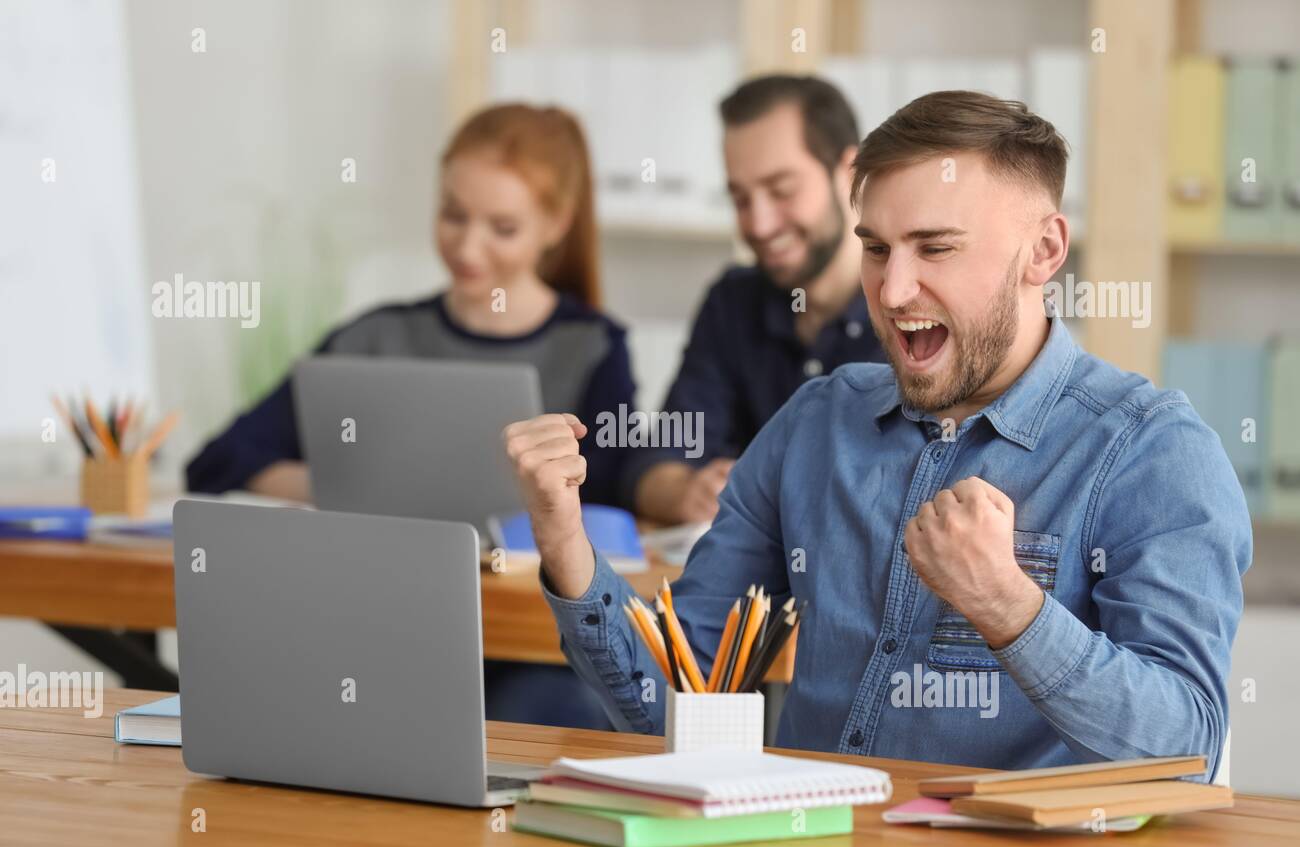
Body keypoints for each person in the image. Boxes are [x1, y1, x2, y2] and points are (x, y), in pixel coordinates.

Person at [504, 91, 1252, 782]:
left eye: (935, 249)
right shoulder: (814, 425)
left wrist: (1006, 605)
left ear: (1045, 252)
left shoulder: (1153, 453)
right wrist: (564, 540)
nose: (892, 293)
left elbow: (1184, 751)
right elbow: (669, 702)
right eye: (876, 248)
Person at [188, 103, 635, 730]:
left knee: (543, 714)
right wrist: (339, 488)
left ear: (555, 224)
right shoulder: (371, 337)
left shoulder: (593, 348)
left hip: (528, 643)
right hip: (373, 626)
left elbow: (614, 505)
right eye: (453, 215)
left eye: (502, 227)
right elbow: (219, 458)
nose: (467, 245)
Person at [625, 75, 887, 524]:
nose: (760, 224)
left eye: (782, 191)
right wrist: (689, 493)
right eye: (741, 198)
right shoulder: (733, 303)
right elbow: (652, 465)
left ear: (851, 173)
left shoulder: (910, 314)